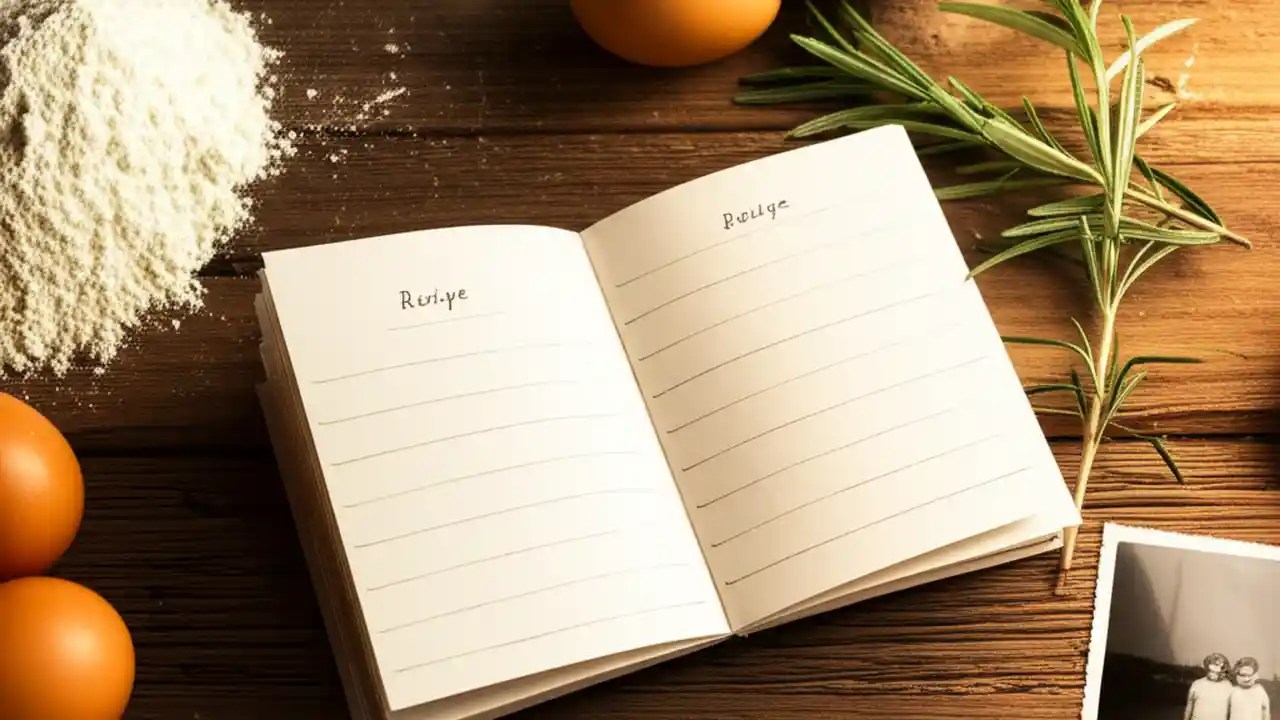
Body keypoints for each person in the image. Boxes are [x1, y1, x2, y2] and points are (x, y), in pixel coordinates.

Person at [1184, 652, 1233, 720]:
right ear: (1207, 668)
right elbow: (1189, 707)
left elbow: (1231, 711)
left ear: (1223, 672)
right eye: (1211, 671)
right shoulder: (1197, 684)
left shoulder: (1228, 686)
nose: (1212, 674)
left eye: (1217, 673)